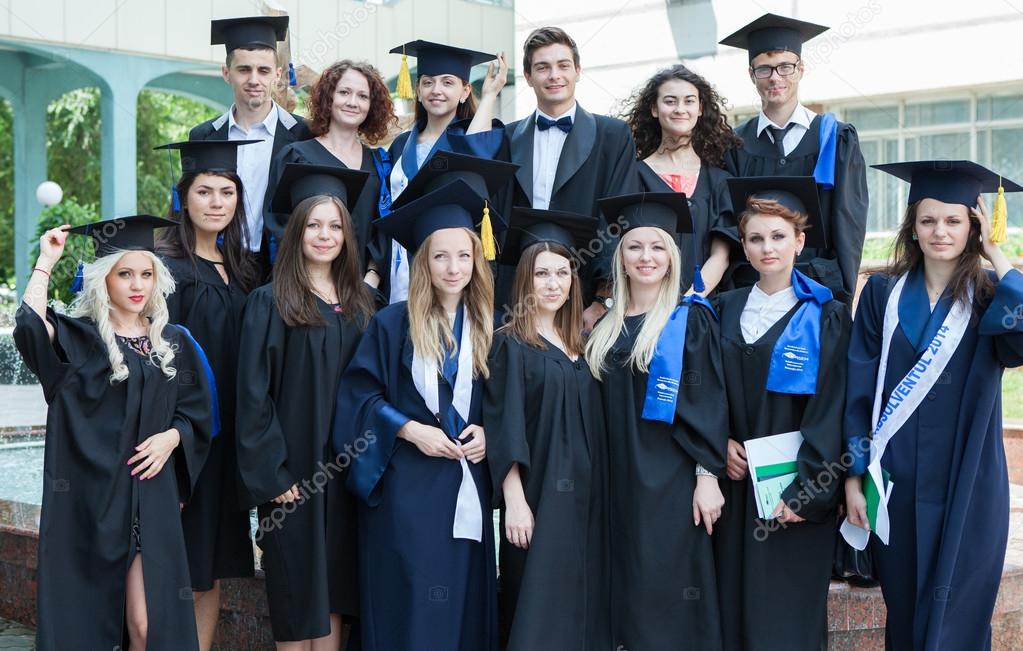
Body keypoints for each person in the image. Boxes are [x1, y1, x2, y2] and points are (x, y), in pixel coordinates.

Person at [842, 161, 1023, 650]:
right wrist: (854, 476)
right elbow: (857, 388)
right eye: (927, 220)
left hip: (968, 480)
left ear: (974, 226)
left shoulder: (989, 295)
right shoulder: (882, 293)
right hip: (894, 480)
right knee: (905, 616)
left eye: (954, 220)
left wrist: (997, 254)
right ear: (912, 227)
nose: (939, 231)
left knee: (959, 617)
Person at [14, 216, 213, 650]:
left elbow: (195, 413)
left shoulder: (172, 341)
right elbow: (29, 327)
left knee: (148, 624)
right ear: (105, 280)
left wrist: (173, 437)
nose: (137, 284)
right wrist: (46, 262)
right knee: (91, 621)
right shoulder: (81, 339)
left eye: (146, 273)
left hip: (152, 498)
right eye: (125, 274)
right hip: (95, 499)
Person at [336, 179, 505, 651]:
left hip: (464, 489)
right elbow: (358, 400)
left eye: (464, 256)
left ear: (477, 260)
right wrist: (409, 430)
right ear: (422, 262)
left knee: (461, 609)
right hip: (403, 490)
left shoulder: (495, 327)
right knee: (407, 605)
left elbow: (513, 403)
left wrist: (495, 434)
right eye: (440, 256)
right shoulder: (390, 324)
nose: (454, 268)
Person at [235, 164, 375, 648]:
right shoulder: (270, 302)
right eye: (314, 224)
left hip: (348, 478)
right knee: (295, 599)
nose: (325, 234)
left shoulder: (365, 305)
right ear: (296, 231)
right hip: (292, 478)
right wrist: (273, 476)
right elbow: (253, 396)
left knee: (337, 596)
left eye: (335, 225)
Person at [584, 192, 729, 650]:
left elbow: (707, 402)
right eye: (634, 246)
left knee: (664, 588)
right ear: (619, 257)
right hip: (611, 476)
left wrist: (707, 476)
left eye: (658, 246)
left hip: (667, 481)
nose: (646, 257)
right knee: (621, 587)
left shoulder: (689, 320)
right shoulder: (602, 326)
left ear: (672, 256)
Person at [713, 177, 851, 650]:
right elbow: (706, 392)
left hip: (792, 495)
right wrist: (719, 445)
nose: (767, 247)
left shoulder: (825, 314)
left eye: (778, 236)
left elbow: (832, 405)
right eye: (755, 238)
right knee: (733, 614)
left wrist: (807, 491)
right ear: (743, 246)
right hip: (735, 489)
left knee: (784, 622)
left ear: (800, 241)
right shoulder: (722, 310)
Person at [483, 208, 610, 650]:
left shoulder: (582, 344)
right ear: (524, 281)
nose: (553, 283)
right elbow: (504, 425)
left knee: (584, 603)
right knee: (539, 609)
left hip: (589, 500)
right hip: (539, 499)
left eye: (562, 272)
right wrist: (515, 502)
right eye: (541, 274)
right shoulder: (509, 344)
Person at [154, 140, 259, 651]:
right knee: (173, 567)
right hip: (180, 440)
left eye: (227, 192)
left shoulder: (243, 268)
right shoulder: (162, 270)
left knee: (210, 569)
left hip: (228, 442)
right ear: (184, 199)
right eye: (204, 192)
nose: (217, 202)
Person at [719, 13, 868, 304]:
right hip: (751, 291)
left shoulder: (836, 139)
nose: (775, 77)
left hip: (818, 289)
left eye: (785, 67)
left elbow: (849, 224)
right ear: (752, 75)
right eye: (764, 69)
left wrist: (839, 299)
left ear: (800, 70)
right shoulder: (734, 144)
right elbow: (727, 221)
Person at [505, 26, 640, 328]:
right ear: (528, 77)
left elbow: (617, 219)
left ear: (578, 71)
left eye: (563, 65)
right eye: (543, 67)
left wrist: (603, 297)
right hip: (517, 295)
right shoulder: (507, 137)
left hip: (584, 296)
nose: (554, 75)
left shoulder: (613, 135)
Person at [367, 40, 508, 303]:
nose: (436, 90)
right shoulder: (399, 145)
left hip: (446, 270)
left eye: (448, 82)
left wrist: (490, 94)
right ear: (418, 90)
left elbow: (472, 152)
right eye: (428, 82)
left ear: (465, 91)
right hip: (399, 264)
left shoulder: (466, 141)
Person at [190, 15, 312, 278]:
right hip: (217, 266)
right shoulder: (203, 137)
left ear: (277, 75)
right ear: (226, 73)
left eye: (264, 70)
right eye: (244, 70)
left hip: (282, 270)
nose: (254, 80)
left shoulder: (304, 135)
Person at [622, 64, 740, 295]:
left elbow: (721, 255)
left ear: (700, 109)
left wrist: (690, 302)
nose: (680, 109)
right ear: (654, 109)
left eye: (689, 101)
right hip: (648, 304)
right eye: (670, 101)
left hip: (702, 306)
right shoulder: (634, 176)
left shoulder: (719, 181)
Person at [265, 59, 397, 261]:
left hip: (364, 285)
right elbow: (279, 224)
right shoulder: (296, 156)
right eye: (344, 92)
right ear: (329, 97)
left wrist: (372, 277)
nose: (353, 102)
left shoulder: (380, 163)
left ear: (372, 105)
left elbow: (383, 229)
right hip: (307, 282)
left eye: (363, 96)